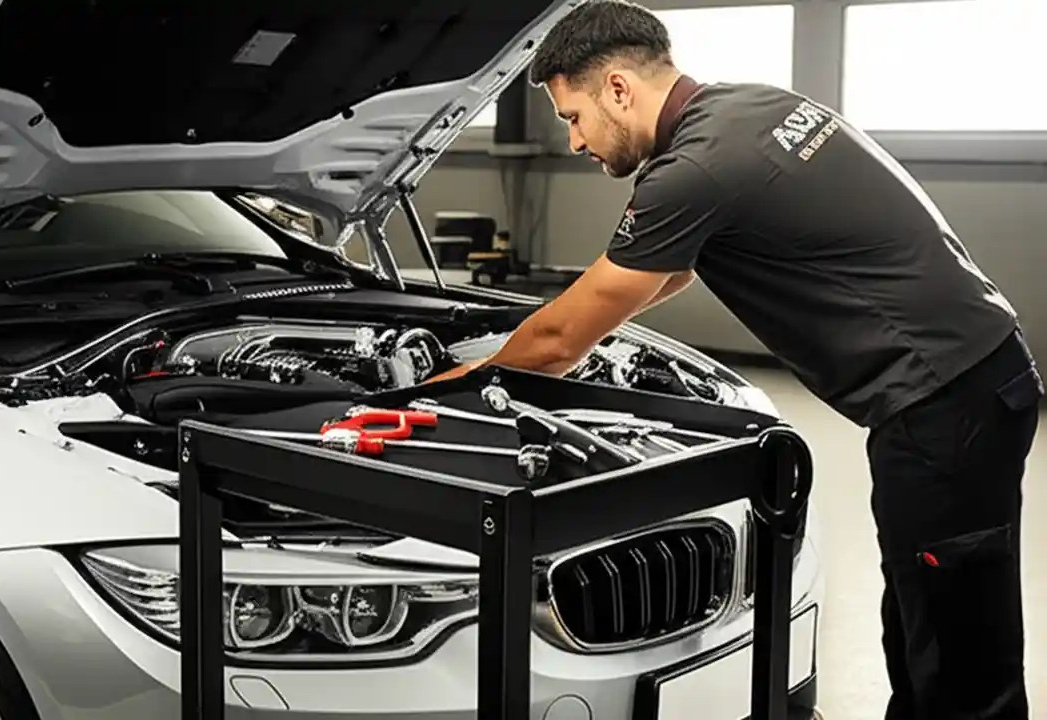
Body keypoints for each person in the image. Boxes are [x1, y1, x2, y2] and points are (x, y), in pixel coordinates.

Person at [427, 1, 1043, 718]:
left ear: (619, 89)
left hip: (944, 407)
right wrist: (595, 327)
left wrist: (461, 388)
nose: (573, 141)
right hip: (969, 382)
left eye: (573, 116)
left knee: (963, 659)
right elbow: (672, 273)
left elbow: (558, 342)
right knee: (925, 623)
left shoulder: (695, 169)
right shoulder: (750, 107)